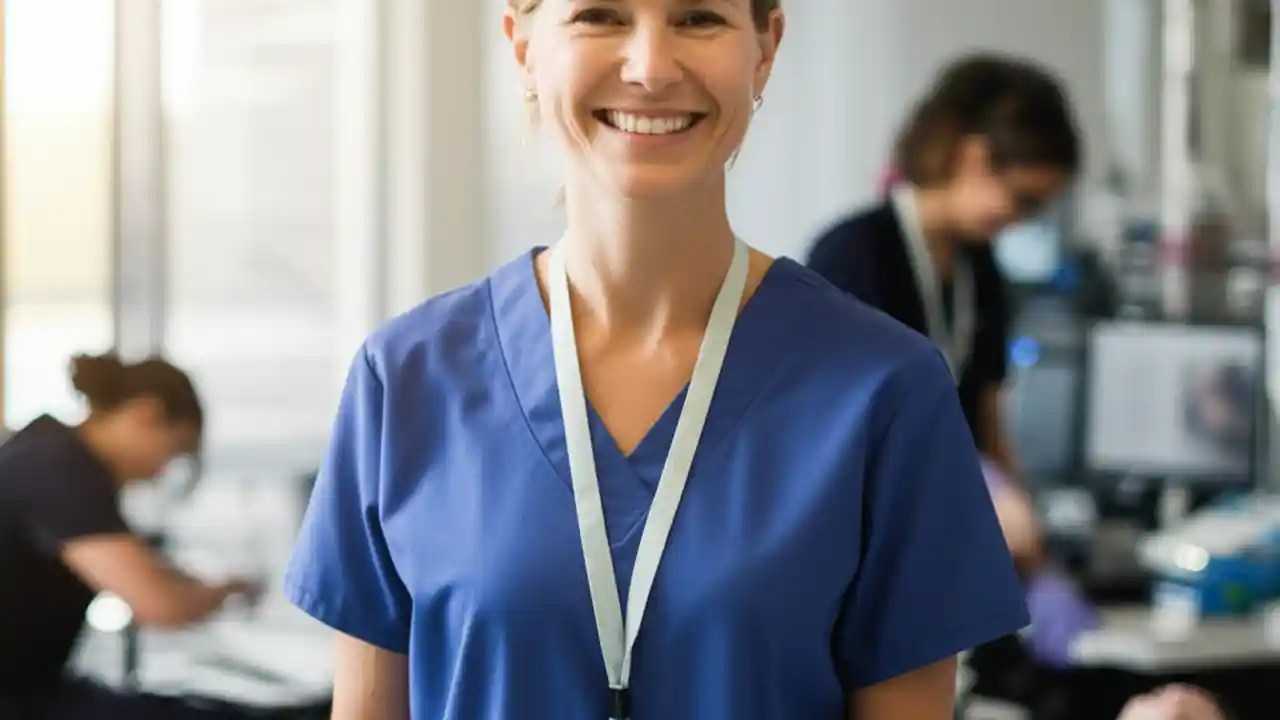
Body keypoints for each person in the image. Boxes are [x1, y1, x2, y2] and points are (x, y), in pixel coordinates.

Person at [284, 1, 1027, 718]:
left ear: (764, 49)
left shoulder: (885, 393)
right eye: (599, 14)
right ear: (523, 46)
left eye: (699, 16)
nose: (650, 66)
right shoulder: (406, 382)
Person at [807, 53, 1080, 481]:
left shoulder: (980, 266)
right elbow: (837, 425)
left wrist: (1010, 495)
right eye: (1022, 198)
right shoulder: (852, 255)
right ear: (973, 157)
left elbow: (989, 415)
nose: (1021, 219)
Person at [0, 353, 259, 719]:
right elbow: (159, 604)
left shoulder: (53, 452)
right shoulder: (57, 469)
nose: (160, 472)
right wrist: (229, 591)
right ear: (145, 413)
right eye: (173, 451)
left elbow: (143, 569)